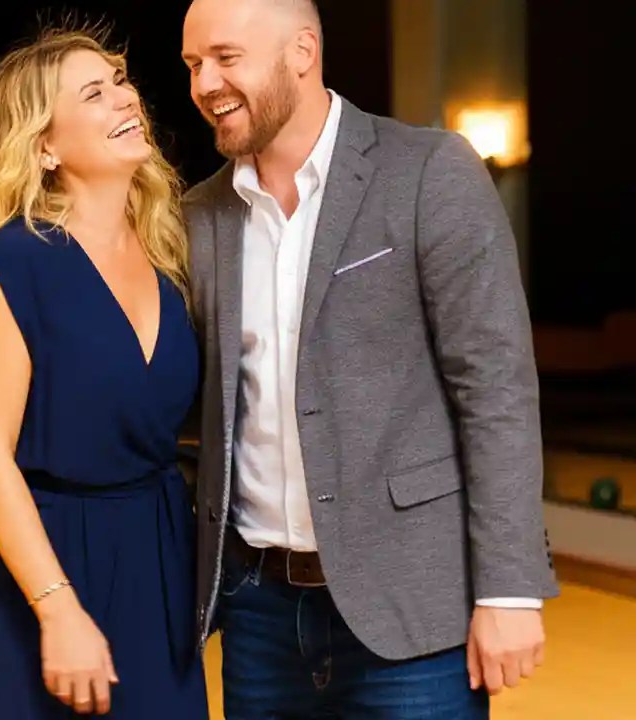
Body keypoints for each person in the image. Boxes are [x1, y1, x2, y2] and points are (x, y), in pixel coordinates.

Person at [178, 0, 559, 717]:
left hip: (414, 612)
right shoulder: (199, 217)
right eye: (193, 64)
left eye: (226, 58)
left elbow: (496, 387)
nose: (204, 83)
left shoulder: (428, 172)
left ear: (302, 51)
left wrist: (509, 589)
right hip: (258, 616)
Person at [0, 26, 208, 719]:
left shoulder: (170, 253)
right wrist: (57, 610)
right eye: (95, 92)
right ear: (45, 146)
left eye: (122, 82)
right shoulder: (14, 266)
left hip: (155, 563)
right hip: (41, 567)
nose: (127, 99)